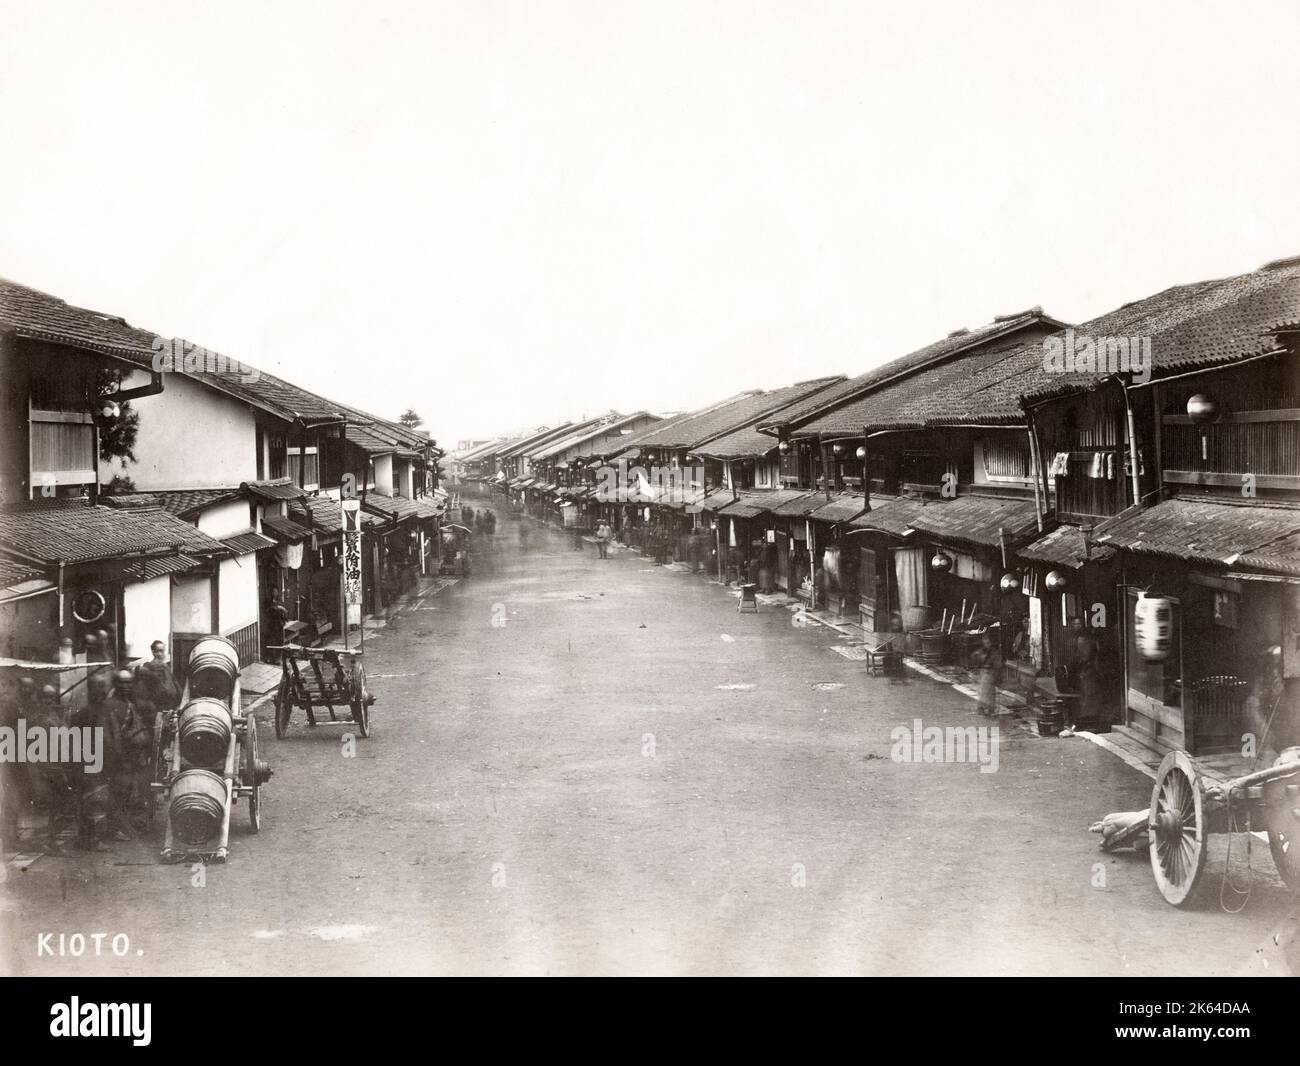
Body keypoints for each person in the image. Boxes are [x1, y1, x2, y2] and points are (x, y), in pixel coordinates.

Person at [73, 674, 126, 849]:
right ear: (90, 689)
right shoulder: (85, 713)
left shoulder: (108, 710)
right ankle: (91, 840)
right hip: (91, 764)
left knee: (105, 799)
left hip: (108, 763)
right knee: (93, 801)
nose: (102, 690)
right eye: (98, 686)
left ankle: (103, 834)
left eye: (104, 686)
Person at [972, 627, 1002, 717]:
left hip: (990, 672)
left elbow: (997, 663)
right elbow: (975, 658)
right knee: (984, 690)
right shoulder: (982, 651)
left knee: (988, 691)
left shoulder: (994, 652)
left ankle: (988, 708)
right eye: (985, 642)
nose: (986, 644)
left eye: (988, 642)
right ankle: (984, 708)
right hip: (985, 672)